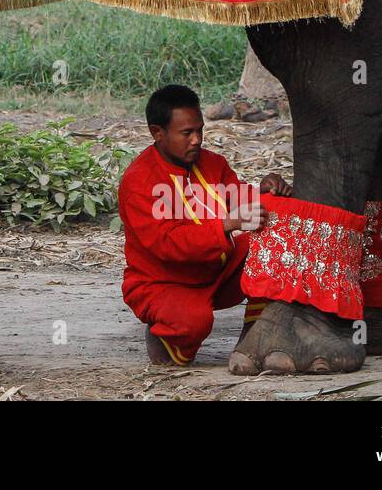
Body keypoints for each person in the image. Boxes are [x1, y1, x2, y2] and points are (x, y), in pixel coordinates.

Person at [119, 84, 292, 365]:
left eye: (200, 130)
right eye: (186, 133)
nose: (197, 140)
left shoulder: (212, 163)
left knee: (271, 232)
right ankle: (163, 332)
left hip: (216, 270)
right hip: (163, 283)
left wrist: (265, 191)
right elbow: (169, 244)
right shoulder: (139, 181)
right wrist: (226, 224)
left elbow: (238, 198)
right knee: (195, 323)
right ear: (157, 133)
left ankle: (253, 339)